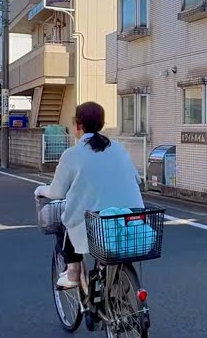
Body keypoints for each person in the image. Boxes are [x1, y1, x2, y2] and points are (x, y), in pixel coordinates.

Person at [34, 101, 144, 289]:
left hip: (95, 223)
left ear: (77, 125)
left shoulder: (72, 154)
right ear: (101, 124)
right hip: (131, 219)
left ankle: (73, 273)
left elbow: (57, 192)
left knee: (64, 220)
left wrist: (39, 190)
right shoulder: (117, 148)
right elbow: (137, 179)